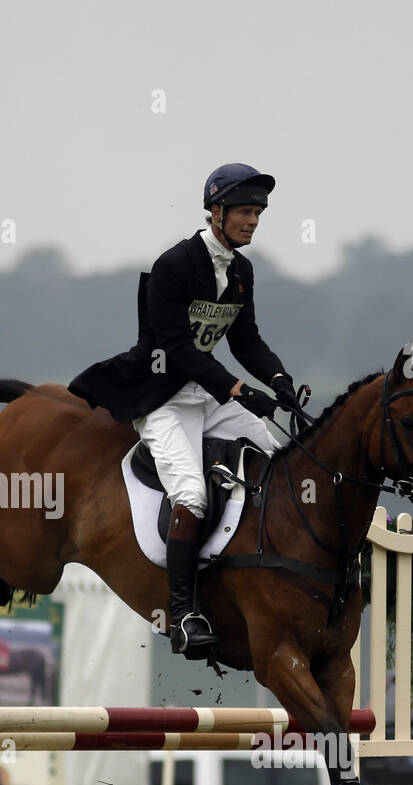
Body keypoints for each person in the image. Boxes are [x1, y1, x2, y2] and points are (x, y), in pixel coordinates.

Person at [68, 163, 303, 659]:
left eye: (257, 213)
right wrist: (239, 389)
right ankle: (184, 613)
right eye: (244, 211)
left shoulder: (241, 271)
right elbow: (175, 348)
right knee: (192, 494)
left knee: (279, 457)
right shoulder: (175, 265)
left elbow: (246, 339)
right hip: (162, 397)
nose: (253, 221)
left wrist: (277, 380)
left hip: (205, 394)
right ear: (215, 212)